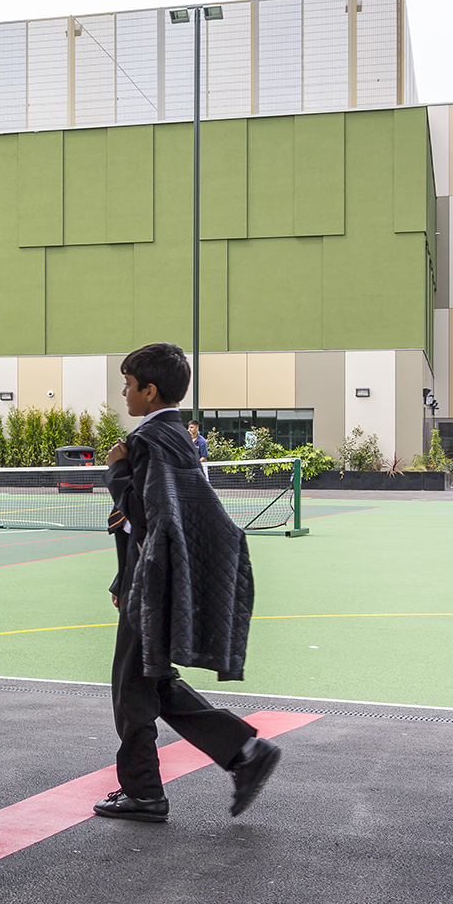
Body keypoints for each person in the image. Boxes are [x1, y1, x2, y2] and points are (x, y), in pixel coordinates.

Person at [96, 343, 278, 824]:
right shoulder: (178, 436)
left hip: (151, 583)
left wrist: (115, 470)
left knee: (131, 691)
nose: (125, 392)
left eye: (129, 385)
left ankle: (146, 793)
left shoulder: (147, 442)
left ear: (149, 391)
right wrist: (124, 575)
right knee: (152, 682)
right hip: (153, 576)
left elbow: (145, 517)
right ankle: (242, 750)